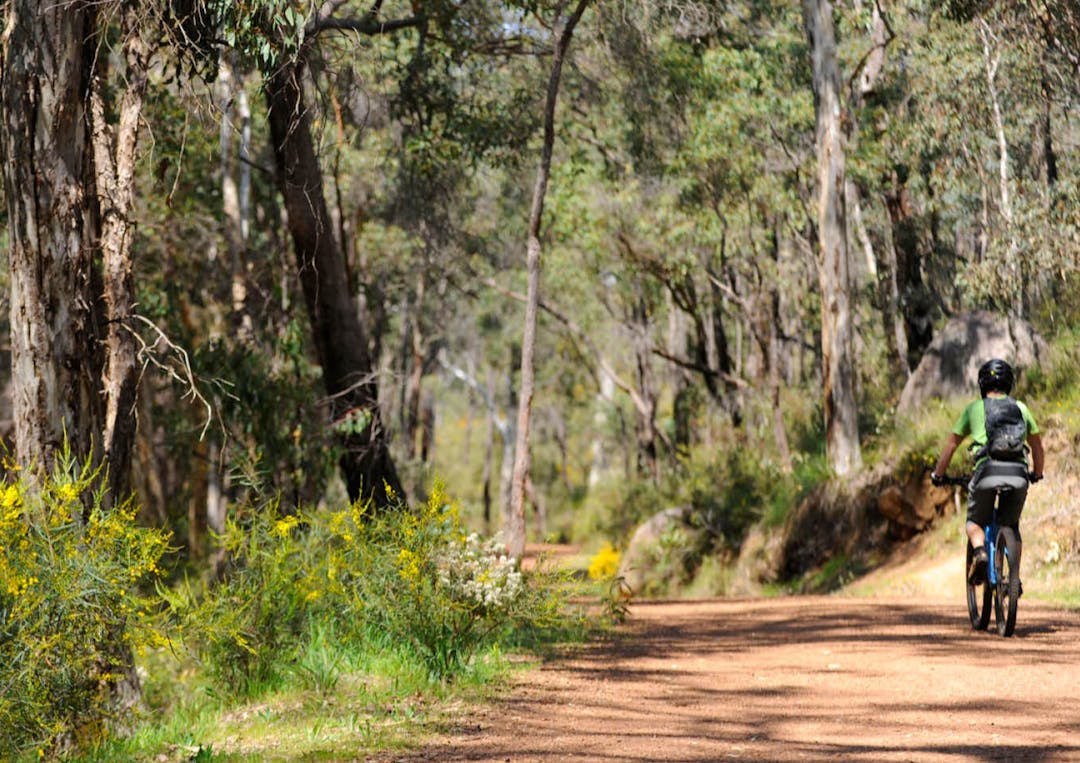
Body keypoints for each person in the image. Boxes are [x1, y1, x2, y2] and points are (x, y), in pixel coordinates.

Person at [930, 358, 1044, 585]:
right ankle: (1014, 579)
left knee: (974, 522)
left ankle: (980, 552)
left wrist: (938, 475)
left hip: (986, 472)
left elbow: (951, 445)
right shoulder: (1021, 408)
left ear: (982, 384)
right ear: (1009, 384)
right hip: (1019, 474)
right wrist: (1037, 473)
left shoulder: (973, 408)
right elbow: (1038, 446)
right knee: (1011, 526)